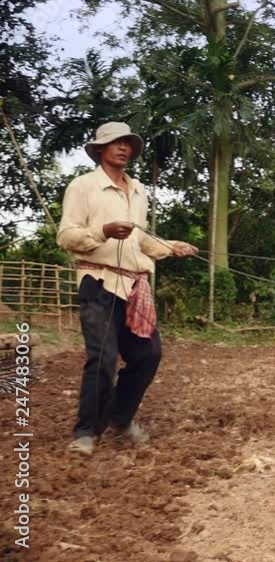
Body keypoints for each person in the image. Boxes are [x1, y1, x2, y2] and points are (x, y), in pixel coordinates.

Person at [56, 121, 198, 456]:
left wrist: (171, 246)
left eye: (128, 144)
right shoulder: (83, 187)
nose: (124, 148)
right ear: (100, 149)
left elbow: (141, 240)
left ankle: (119, 420)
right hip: (99, 282)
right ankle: (86, 432)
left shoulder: (137, 191)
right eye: (116, 143)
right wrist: (104, 230)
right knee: (102, 358)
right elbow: (66, 236)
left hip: (134, 285)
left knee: (148, 355)